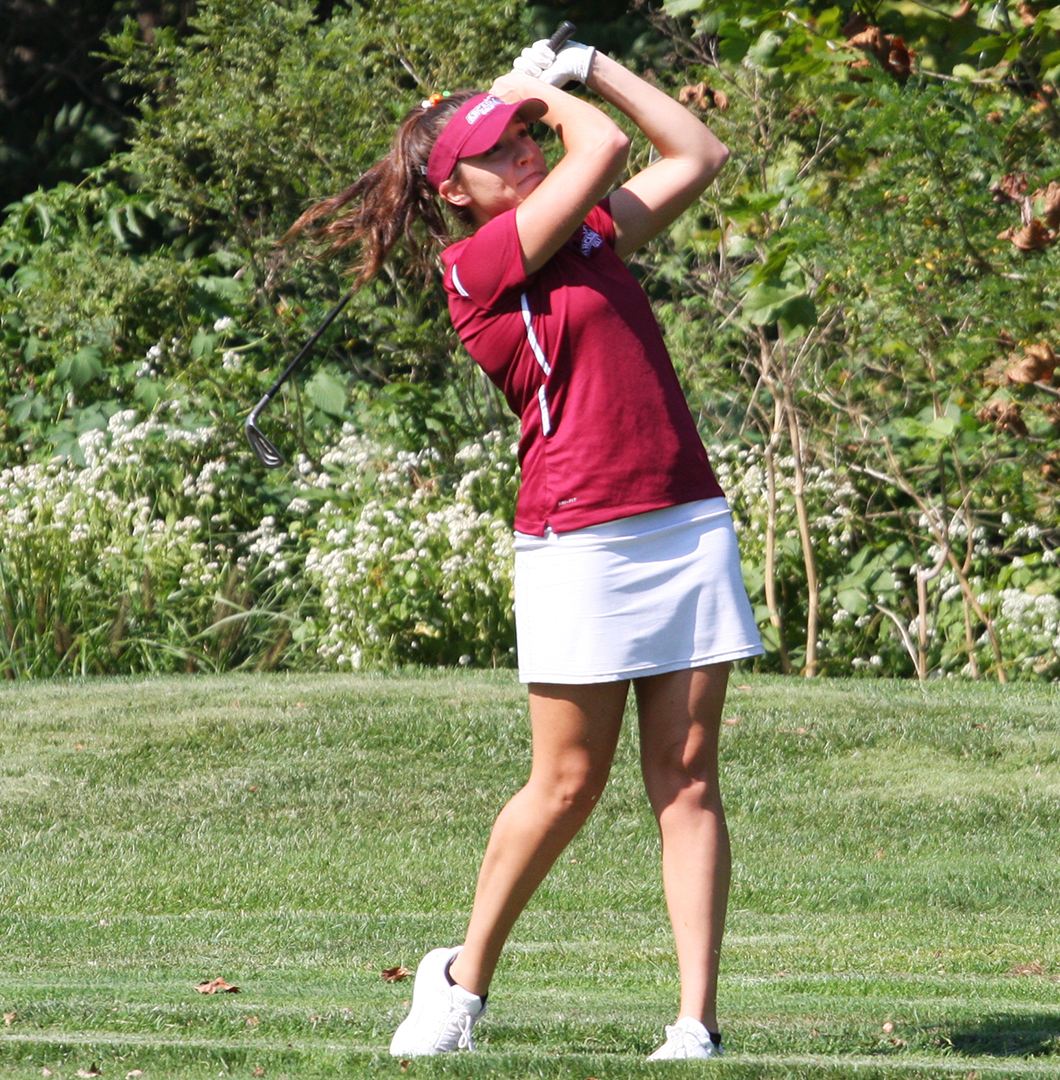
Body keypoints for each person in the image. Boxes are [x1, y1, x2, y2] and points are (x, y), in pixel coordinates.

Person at [288, 33, 762, 1061]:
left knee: (685, 773)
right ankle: (459, 983)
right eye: (499, 151)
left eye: (521, 140)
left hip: (682, 517)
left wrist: (589, 63)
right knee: (566, 784)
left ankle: (695, 1026)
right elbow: (596, 150)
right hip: (577, 540)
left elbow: (696, 155)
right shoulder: (479, 266)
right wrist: (540, 93)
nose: (524, 153)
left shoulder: (587, 240)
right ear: (456, 193)